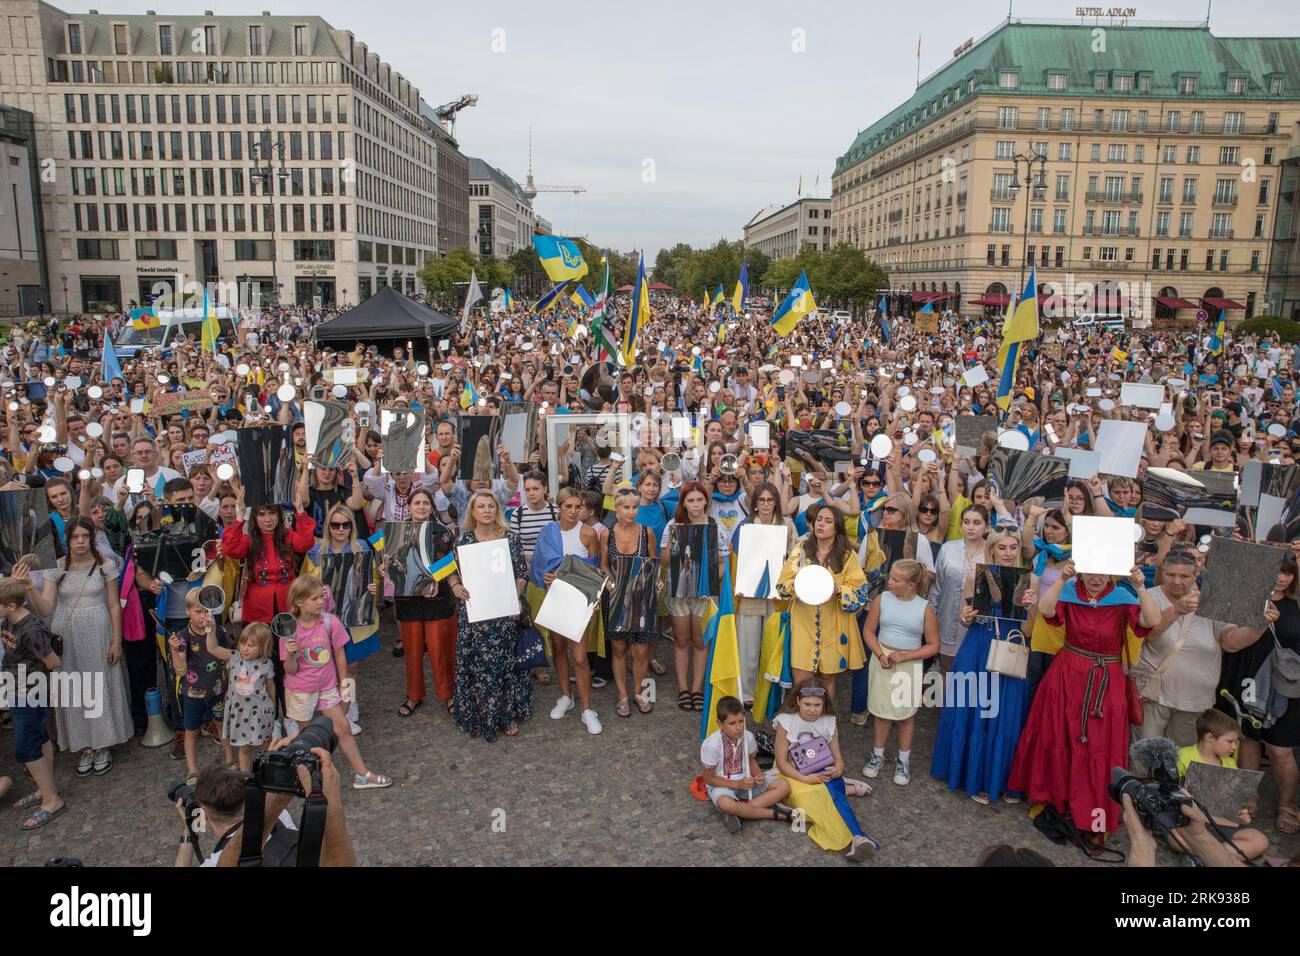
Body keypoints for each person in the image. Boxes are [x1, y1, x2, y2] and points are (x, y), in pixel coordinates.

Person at [1007, 560, 1161, 837]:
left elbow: (1152, 621)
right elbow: (1045, 610)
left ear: (1111, 573)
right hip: (1066, 675)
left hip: (1105, 680)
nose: (1096, 578)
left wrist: (1140, 588)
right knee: (1059, 736)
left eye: (1102, 572)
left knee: (1098, 746)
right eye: (1091, 571)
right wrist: (1061, 579)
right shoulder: (1069, 591)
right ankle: (1054, 798)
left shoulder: (1122, 597)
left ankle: (1093, 808)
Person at [15, 517, 132, 777]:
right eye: (75, 537)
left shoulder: (106, 566)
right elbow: (46, 608)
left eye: (84, 536)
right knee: (73, 689)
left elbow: (114, 604)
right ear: (67, 540)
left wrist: (116, 640)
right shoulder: (57, 568)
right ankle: (85, 745)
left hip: (97, 629)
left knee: (97, 683)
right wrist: (27, 587)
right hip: (66, 633)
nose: (80, 541)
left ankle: (102, 743)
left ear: (92, 538)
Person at [931, 528, 1035, 804]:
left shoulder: (1030, 579)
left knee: (1005, 716)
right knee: (974, 711)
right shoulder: (974, 576)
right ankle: (972, 776)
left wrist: (1032, 608)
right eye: (1002, 548)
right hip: (978, 647)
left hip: (1010, 649)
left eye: (1013, 547)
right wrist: (966, 616)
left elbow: (1027, 629)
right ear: (992, 549)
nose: (1008, 553)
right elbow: (966, 621)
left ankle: (1001, 780)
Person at [1134, 550, 1279, 747]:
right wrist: (1176, 610)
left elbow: (1231, 642)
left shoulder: (1211, 601)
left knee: (1182, 758)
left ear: (1196, 575)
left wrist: (1259, 626)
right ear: (1163, 572)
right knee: (1147, 753)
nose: (1177, 581)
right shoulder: (1150, 596)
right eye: (1171, 575)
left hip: (1195, 697)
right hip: (1154, 694)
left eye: (1184, 576)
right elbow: (1145, 634)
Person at [281, 574, 391, 789]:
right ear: (299, 602)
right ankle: (312, 780)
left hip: (327, 687)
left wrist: (343, 683)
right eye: (314, 599)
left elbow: (340, 655)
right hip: (300, 690)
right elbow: (290, 670)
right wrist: (291, 654)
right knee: (308, 737)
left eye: (322, 597)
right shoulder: (289, 629)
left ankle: (361, 774)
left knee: (343, 727)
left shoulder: (331, 622)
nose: (321, 602)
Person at [447, 490, 533, 741]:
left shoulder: (510, 539)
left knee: (503, 667)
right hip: (473, 615)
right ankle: (478, 717)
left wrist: (513, 598)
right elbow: (450, 572)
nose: (486, 510)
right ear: (472, 512)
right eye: (481, 506)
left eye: (491, 506)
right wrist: (454, 586)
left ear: (497, 510)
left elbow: (522, 574)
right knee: (475, 667)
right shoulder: (462, 541)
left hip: (503, 615)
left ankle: (504, 717)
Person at [772, 682, 879, 861]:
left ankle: (857, 838)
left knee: (832, 797)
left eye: (817, 705)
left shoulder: (829, 722)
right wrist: (806, 779)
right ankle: (855, 831)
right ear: (798, 701)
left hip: (821, 769)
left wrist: (838, 769)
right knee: (813, 803)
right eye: (807, 704)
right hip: (793, 774)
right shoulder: (786, 722)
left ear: (824, 704)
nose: (812, 710)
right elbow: (782, 763)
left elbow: (837, 757)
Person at [775, 502, 870, 701]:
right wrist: (797, 588)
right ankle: (800, 724)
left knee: (828, 678)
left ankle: (826, 722)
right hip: (803, 620)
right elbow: (782, 583)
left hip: (834, 623)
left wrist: (838, 590)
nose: (821, 524)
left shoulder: (847, 555)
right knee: (801, 678)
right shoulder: (801, 549)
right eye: (819, 520)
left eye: (828, 521)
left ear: (837, 527)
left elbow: (860, 591)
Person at [303, 503, 382, 733]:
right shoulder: (316, 552)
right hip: (326, 622)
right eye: (335, 524)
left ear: (351, 526)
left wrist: (373, 588)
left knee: (352, 667)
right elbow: (305, 586)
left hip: (356, 619)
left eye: (345, 524)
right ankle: (335, 710)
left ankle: (347, 709)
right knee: (331, 668)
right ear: (328, 526)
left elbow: (374, 576)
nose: (340, 529)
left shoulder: (363, 547)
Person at [860, 559, 939, 786]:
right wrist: (879, 654)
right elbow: (869, 630)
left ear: (911, 585)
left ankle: (903, 760)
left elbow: (934, 645)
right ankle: (877, 754)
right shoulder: (881, 599)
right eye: (890, 576)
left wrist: (905, 656)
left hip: (909, 663)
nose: (889, 581)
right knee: (881, 710)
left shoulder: (924, 607)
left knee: (906, 715)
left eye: (895, 579)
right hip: (882, 658)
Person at [531, 487, 603, 734]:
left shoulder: (589, 533)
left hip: (579, 600)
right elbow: (539, 565)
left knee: (580, 657)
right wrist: (547, 575)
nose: (573, 511)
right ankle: (566, 696)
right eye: (568, 506)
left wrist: (596, 601)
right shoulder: (547, 532)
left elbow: (596, 572)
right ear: (559, 507)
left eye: (577, 506)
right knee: (558, 648)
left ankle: (587, 709)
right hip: (554, 597)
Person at [384, 490, 459, 719]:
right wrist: (383, 568)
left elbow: (449, 566)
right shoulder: (393, 532)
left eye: (426, 503)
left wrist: (439, 580)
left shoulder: (444, 533)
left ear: (432, 507)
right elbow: (387, 561)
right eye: (417, 503)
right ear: (409, 506)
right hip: (408, 603)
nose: (422, 507)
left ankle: (449, 694)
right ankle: (414, 695)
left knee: (441, 651)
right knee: (413, 652)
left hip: (438, 601)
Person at [0, 577, 65, 831]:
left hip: (30, 692)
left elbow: (54, 662)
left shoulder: (31, 630)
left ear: (12, 605)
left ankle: (52, 800)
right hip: (17, 690)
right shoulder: (9, 620)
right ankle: (44, 789)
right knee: (39, 738)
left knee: (26, 748)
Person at [661, 481, 726, 711]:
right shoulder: (673, 524)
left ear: (706, 501)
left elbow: (722, 563)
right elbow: (666, 561)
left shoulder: (715, 526)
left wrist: (707, 583)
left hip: (704, 594)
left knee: (701, 641)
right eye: (691, 500)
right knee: (681, 640)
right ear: (684, 503)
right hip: (679, 591)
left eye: (699, 499)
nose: (696, 504)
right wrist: (675, 535)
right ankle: (683, 688)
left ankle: (697, 689)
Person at [1172, 708, 1269, 861]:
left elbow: (1235, 801)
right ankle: (1217, 857)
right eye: (1230, 741)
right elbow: (1168, 793)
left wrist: (1242, 814)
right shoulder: (1182, 757)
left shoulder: (1229, 763)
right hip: (1189, 824)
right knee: (1176, 837)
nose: (1234, 747)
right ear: (1210, 737)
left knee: (1260, 840)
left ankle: (1204, 859)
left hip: (1222, 826)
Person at [733, 482, 796, 706]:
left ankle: (770, 692)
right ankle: (747, 694)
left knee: (772, 643)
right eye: (762, 500)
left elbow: (794, 558)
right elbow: (737, 559)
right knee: (747, 646)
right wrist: (737, 586)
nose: (766, 504)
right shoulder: (745, 526)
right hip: (749, 592)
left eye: (770, 500)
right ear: (755, 504)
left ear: (777, 502)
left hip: (777, 594)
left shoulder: (787, 525)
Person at [166, 588, 235, 784]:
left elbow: (231, 655)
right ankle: (192, 769)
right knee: (191, 731)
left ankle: (230, 759)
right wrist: (175, 651)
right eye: (198, 611)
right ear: (187, 612)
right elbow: (180, 671)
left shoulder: (219, 630)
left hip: (218, 689)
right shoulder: (181, 636)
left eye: (207, 610)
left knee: (222, 726)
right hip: (192, 693)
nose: (204, 615)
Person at [601, 488, 659, 717]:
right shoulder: (607, 534)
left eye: (635, 507)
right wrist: (608, 579)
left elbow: (653, 562)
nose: (631, 511)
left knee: (641, 651)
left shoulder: (648, 532)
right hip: (616, 596)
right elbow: (603, 563)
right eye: (626, 507)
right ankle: (622, 695)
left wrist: (657, 581)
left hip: (642, 596)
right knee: (618, 648)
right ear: (617, 509)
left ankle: (638, 692)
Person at [699, 695, 794, 833]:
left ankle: (742, 813)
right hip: (722, 785)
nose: (738, 727)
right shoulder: (711, 744)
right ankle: (774, 814)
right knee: (726, 804)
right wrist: (737, 784)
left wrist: (759, 776)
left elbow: (751, 760)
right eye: (732, 723)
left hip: (747, 781)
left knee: (783, 786)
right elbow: (708, 779)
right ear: (720, 724)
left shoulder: (748, 736)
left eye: (741, 721)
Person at [929, 504, 991, 673]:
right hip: (947, 620)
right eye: (966, 521)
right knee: (946, 668)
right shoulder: (948, 548)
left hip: (978, 625)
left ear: (987, 526)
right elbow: (937, 587)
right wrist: (931, 619)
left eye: (977, 522)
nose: (970, 527)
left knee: (972, 672)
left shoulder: (992, 553)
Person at [211, 621, 276, 773]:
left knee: (266, 745)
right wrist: (211, 630)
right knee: (244, 748)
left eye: (251, 645)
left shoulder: (266, 663)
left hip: (261, 711)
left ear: (263, 647)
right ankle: (246, 777)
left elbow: (270, 686)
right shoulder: (234, 657)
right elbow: (212, 648)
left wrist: (273, 707)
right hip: (240, 712)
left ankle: (267, 773)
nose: (245, 648)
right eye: (243, 643)